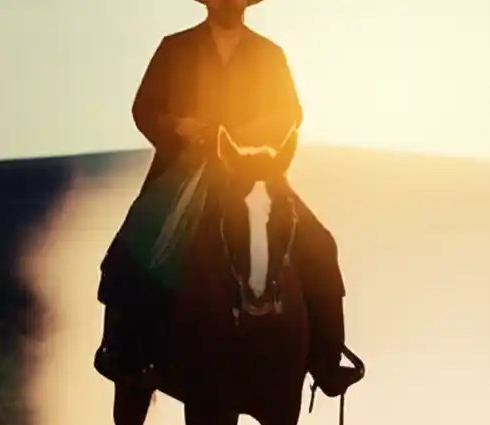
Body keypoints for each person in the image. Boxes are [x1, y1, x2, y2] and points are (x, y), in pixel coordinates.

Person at [94, 0, 364, 397]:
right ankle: (121, 352)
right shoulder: (175, 47)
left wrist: (253, 131)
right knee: (130, 247)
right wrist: (180, 125)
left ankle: (327, 359)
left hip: (252, 171)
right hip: (183, 170)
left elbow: (291, 111)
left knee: (320, 244)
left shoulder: (269, 54)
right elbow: (144, 108)